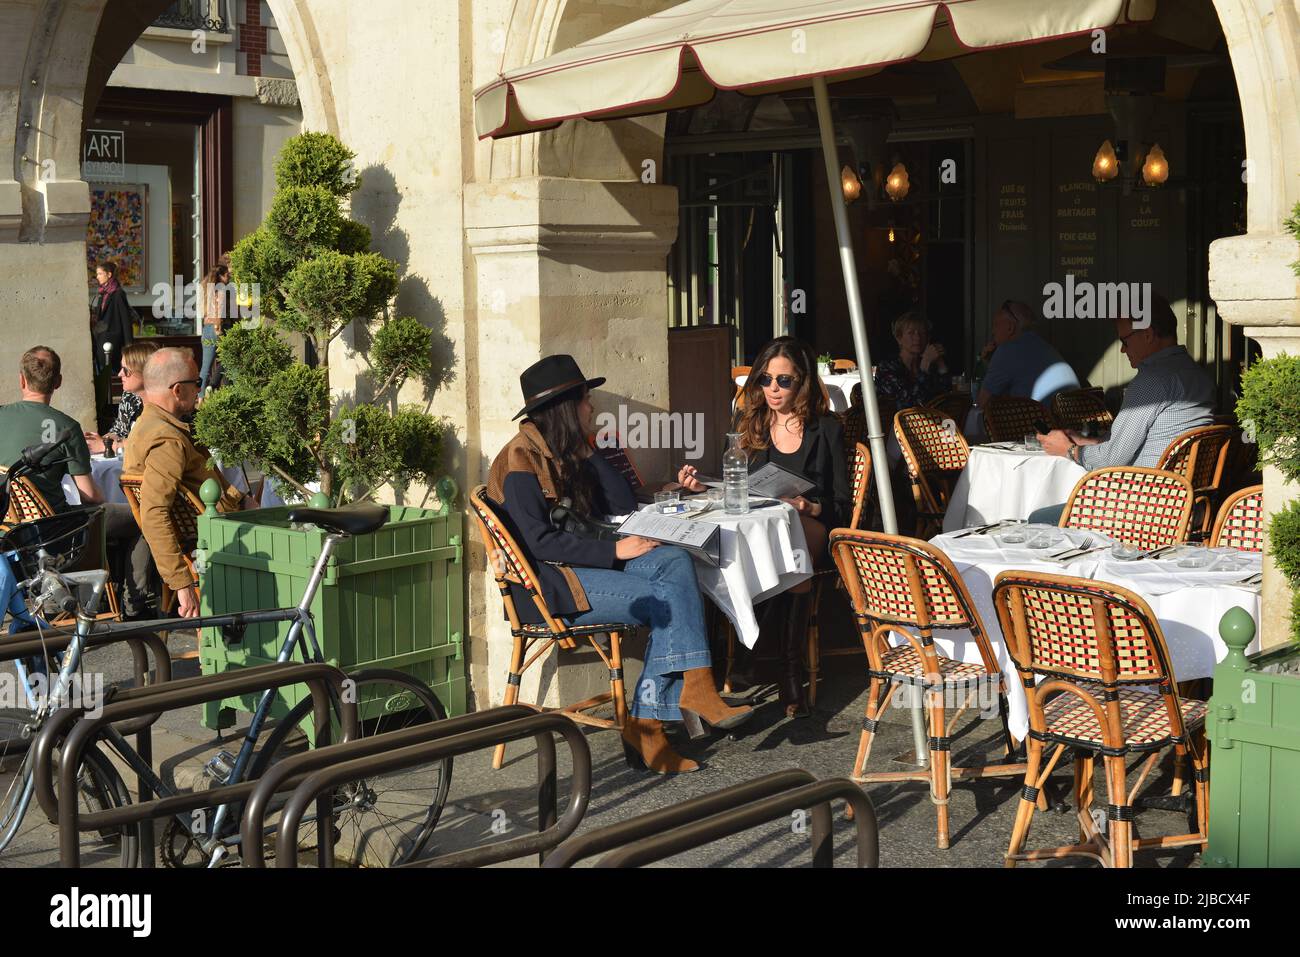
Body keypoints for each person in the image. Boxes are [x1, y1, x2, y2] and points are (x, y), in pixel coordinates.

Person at [488, 354, 752, 774]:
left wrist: (588, 449)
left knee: (674, 560)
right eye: (586, 401)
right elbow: (538, 542)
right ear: (566, 408)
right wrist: (616, 552)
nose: (592, 408)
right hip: (550, 585)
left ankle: (684, 693)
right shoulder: (522, 459)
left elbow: (623, 503)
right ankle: (653, 722)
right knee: (665, 598)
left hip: (580, 568)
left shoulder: (561, 448)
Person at [679, 336, 851, 718]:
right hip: (758, 531)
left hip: (812, 526)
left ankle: (784, 668)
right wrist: (700, 486)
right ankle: (734, 659)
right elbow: (732, 487)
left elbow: (843, 504)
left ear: (801, 382)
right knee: (710, 548)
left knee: (794, 541)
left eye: (784, 381)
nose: (773, 389)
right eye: (765, 380)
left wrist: (808, 504)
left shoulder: (825, 429)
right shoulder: (749, 422)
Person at [1031, 295, 1215, 523]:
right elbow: (1144, 442)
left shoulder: (1153, 380)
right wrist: (1083, 441)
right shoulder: (1198, 375)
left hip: (1141, 508)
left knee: (1039, 519)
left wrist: (1069, 450)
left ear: (1147, 334)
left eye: (1125, 341)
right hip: (1187, 504)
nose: (1122, 350)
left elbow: (1112, 459)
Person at [0, 346, 152, 617]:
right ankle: (134, 605)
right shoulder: (66, 427)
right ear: (58, 382)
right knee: (142, 517)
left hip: (8, 530)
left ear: (21, 380)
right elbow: (90, 496)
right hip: (53, 532)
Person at [124, 348, 257, 618]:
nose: (200, 388)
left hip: (222, 528)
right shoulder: (168, 441)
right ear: (177, 390)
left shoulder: (148, 424)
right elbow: (154, 513)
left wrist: (241, 498)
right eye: (196, 383)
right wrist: (182, 582)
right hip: (221, 540)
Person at [976, 300, 1080, 407]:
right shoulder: (1042, 346)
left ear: (1010, 328)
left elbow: (982, 403)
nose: (993, 331)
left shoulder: (1006, 350)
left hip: (1040, 421)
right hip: (1070, 419)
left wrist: (989, 364)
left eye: (995, 325)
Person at [83, 340, 159, 454]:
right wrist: (96, 440)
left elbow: (149, 445)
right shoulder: (130, 397)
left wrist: (106, 445)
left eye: (126, 370)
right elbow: (119, 431)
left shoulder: (164, 404)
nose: (120, 374)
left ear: (145, 372)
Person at [874, 312, 949, 409]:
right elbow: (911, 403)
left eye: (922, 333)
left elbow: (946, 398)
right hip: (895, 422)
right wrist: (925, 365)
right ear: (899, 338)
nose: (918, 337)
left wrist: (940, 364)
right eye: (911, 333)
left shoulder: (929, 365)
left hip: (929, 421)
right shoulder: (887, 367)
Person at [90, 261, 134, 377]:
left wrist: (129, 347)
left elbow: (126, 321)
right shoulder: (102, 294)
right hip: (100, 342)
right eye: (97, 274)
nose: (97, 277)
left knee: (112, 377)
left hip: (113, 344)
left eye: (100, 274)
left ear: (109, 275)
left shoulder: (118, 294)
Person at [198, 262, 231, 393]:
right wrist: (218, 328)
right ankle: (219, 388)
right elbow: (220, 310)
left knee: (205, 367)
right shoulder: (221, 288)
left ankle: (200, 397)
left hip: (206, 328)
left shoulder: (206, 287)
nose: (229, 278)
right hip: (217, 327)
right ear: (222, 276)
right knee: (229, 359)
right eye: (228, 275)